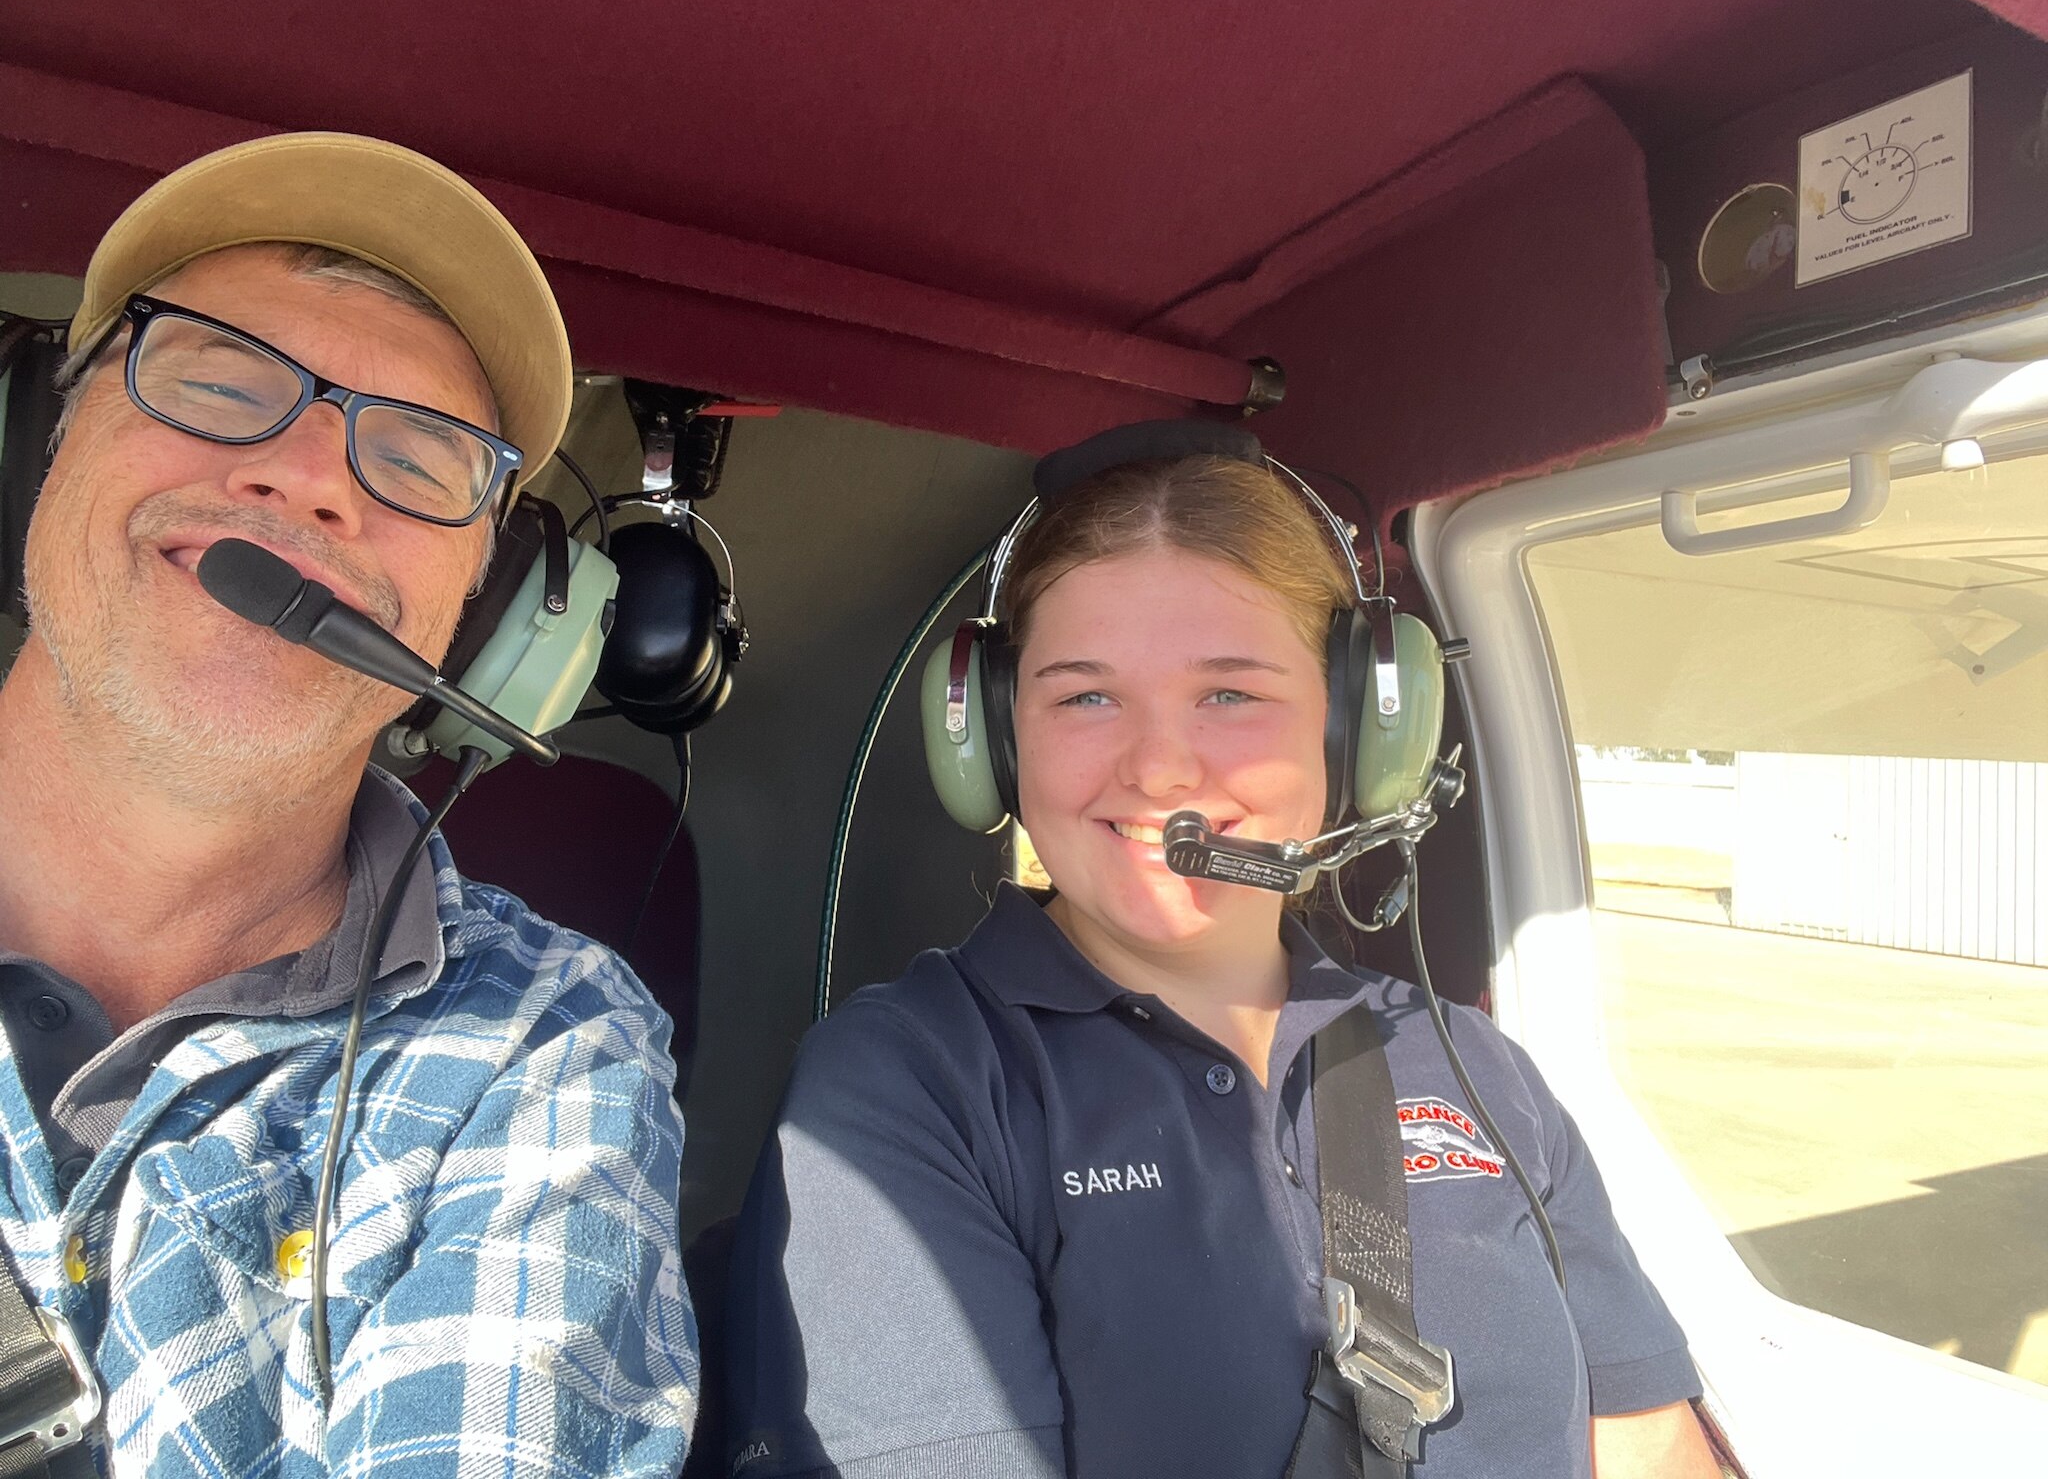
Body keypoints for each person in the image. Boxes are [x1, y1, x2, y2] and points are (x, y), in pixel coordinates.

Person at [722, 424, 1720, 1476]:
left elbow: (1651, 1446)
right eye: (1085, 696)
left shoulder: (1477, 1066)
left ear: (1358, 731)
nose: (1159, 769)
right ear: (999, 743)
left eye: (1230, 693)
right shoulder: (915, 1083)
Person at [0, 134, 695, 1474]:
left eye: (423, 458)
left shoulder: (539, 1046)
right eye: (220, 383)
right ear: (39, 440)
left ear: (481, 616)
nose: (311, 477)